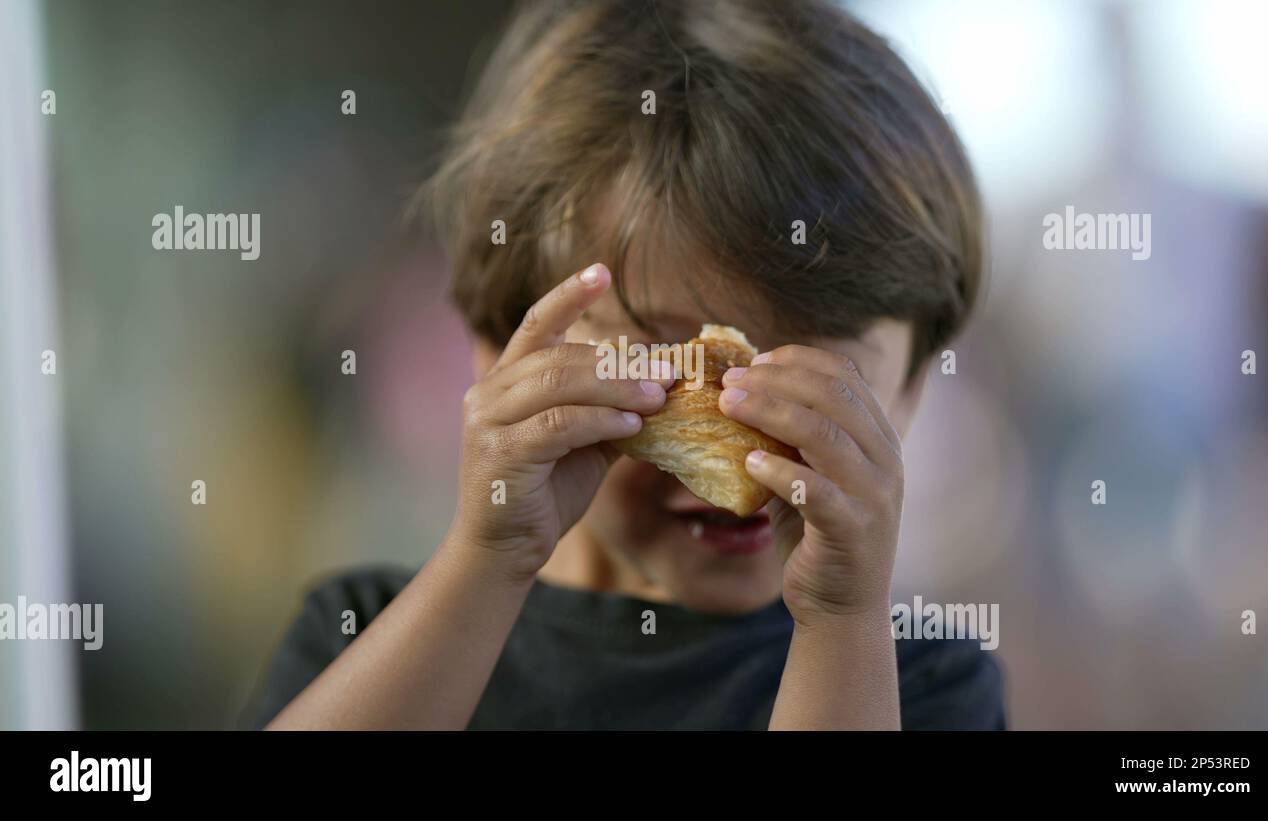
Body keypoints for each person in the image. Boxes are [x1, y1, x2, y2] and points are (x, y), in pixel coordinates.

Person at [247, 0, 1003, 730]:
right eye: (673, 365)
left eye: (819, 384)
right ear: (500, 356)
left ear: (913, 384)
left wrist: (842, 620)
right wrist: (490, 556)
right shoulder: (365, 637)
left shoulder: (917, 683)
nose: (751, 433)